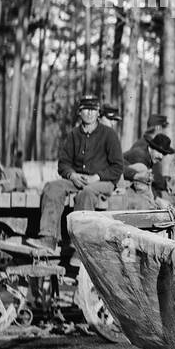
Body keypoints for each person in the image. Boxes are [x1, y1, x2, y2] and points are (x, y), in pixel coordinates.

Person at [34, 95, 124, 248]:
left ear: (98, 113)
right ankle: (47, 238)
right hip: (77, 180)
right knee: (52, 187)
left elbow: (117, 167)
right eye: (85, 110)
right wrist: (71, 175)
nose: (89, 113)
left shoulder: (109, 134)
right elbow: (63, 163)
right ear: (79, 112)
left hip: (102, 182)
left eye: (93, 110)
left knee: (86, 194)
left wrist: (97, 177)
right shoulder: (74, 134)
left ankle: (81, 247)